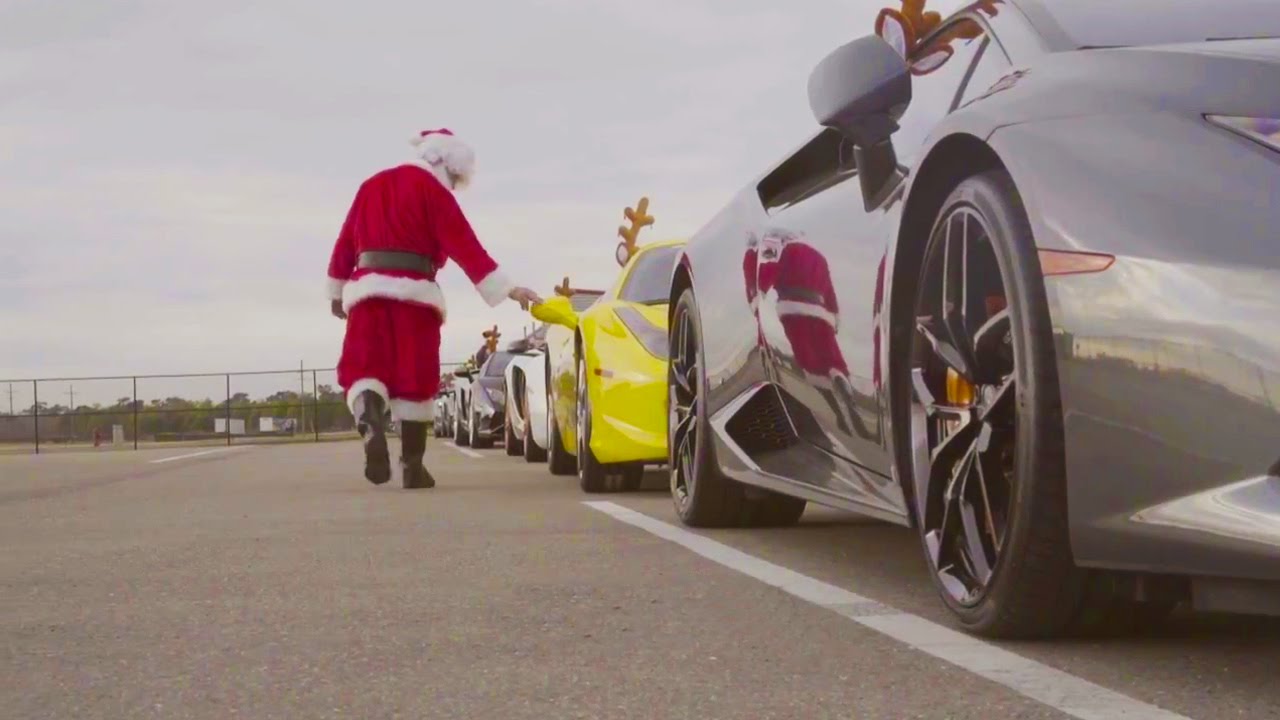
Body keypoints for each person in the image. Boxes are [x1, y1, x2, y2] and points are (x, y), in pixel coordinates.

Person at [326, 128, 541, 488]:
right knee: (415, 379)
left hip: (366, 294)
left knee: (365, 369)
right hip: (416, 297)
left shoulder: (371, 186)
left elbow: (345, 242)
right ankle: (412, 468)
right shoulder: (434, 194)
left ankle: (370, 427)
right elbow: (466, 247)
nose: (455, 187)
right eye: (456, 180)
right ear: (446, 165)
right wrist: (511, 290)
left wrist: (336, 290)